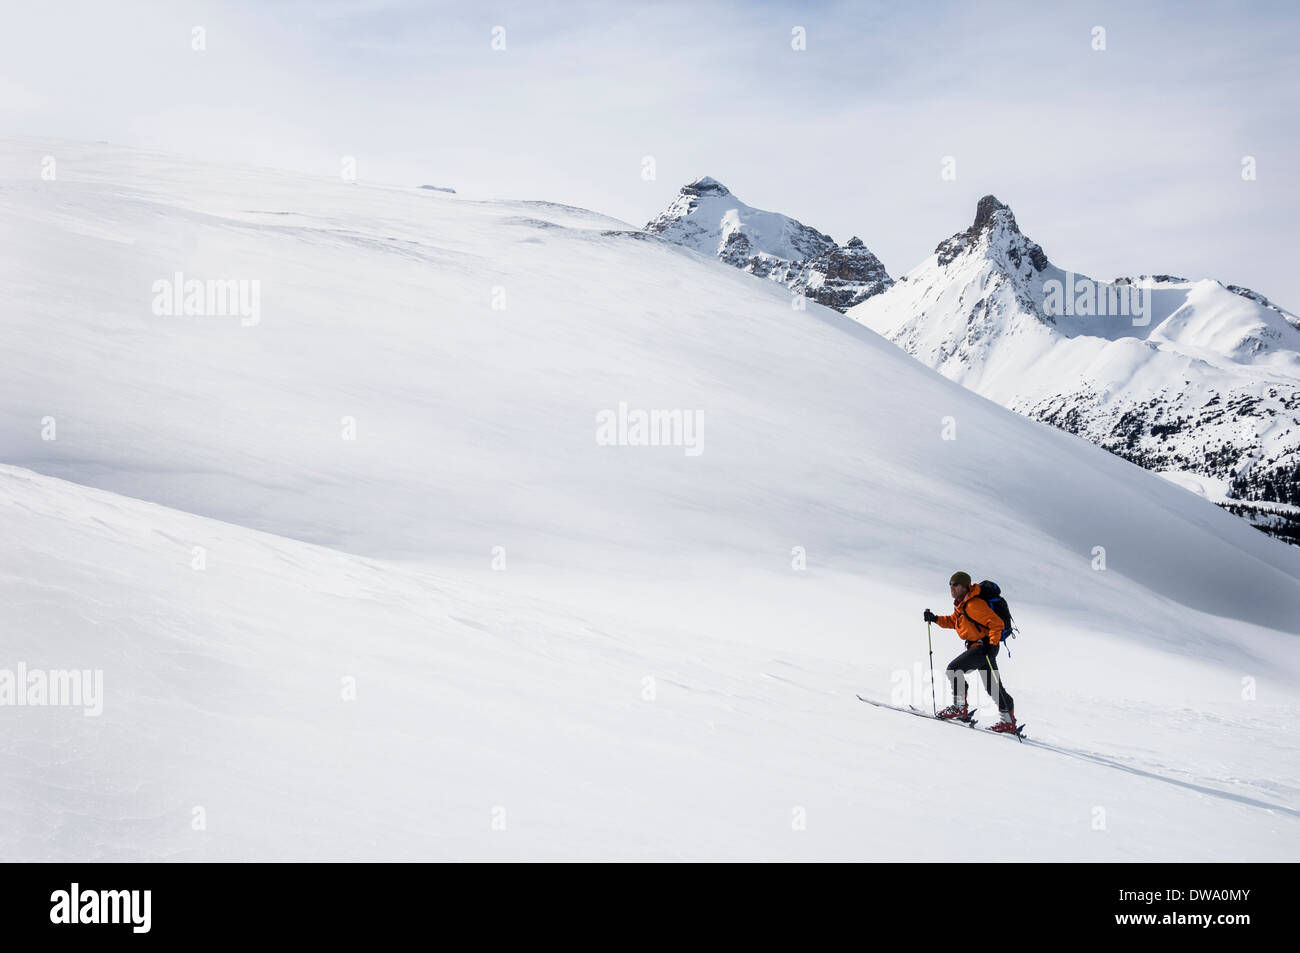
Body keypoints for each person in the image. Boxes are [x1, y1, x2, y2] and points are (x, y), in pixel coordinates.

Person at [923, 571, 1017, 731]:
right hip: (982, 647)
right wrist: (935, 618)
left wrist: (992, 645)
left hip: (983, 647)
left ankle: (960, 707)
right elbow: (954, 621)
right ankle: (1008, 721)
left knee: (954, 669)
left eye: (955, 584)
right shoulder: (962, 604)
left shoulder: (974, 605)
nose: (951, 587)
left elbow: (997, 623)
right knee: (993, 686)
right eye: (950, 584)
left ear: (965, 586)